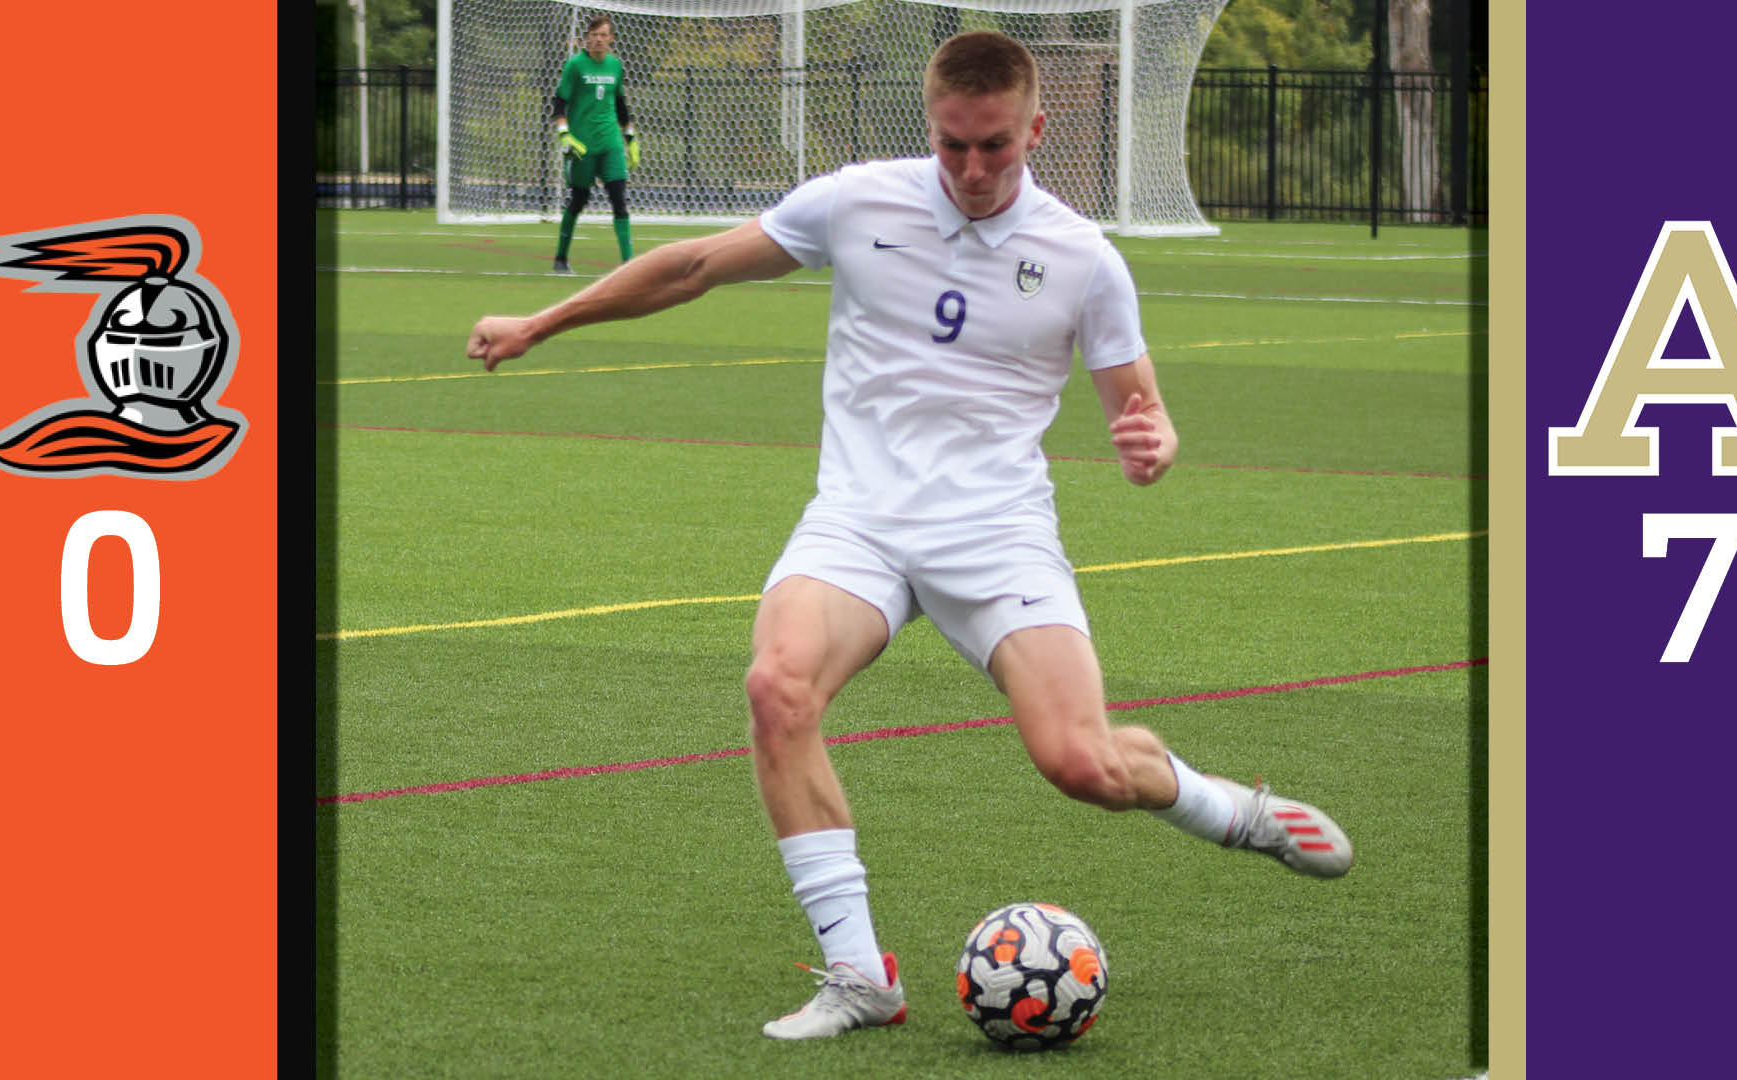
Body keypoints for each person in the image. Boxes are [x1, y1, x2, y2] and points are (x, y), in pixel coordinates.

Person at [468, 29, 1352, 1041]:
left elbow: (1137, 405)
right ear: (928, 126)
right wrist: (543, 321)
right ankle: (858, 973)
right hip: (860, 522)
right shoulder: (856, 200)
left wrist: (1153, 440)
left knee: (1083, 765)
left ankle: (1226, 808)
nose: (974, 170)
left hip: (996, 535)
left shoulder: (1083, 259)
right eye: (953, 146)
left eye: (997, 148)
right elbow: (695, 266)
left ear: (1036, 130)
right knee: (776, 686)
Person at [551, 14, 638, 271]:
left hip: (610, 143)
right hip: (583, 145)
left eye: (603, 35)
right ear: (586, 38)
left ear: (611, 39)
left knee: (619, 199)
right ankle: (560, 258)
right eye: (594, 35)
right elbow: (559, 103)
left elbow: (621, 105)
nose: (598, 40)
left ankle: (628, 266)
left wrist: (630, 138)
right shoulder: (575, 66)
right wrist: (565, 134)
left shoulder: (616, 66)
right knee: (579, 199)